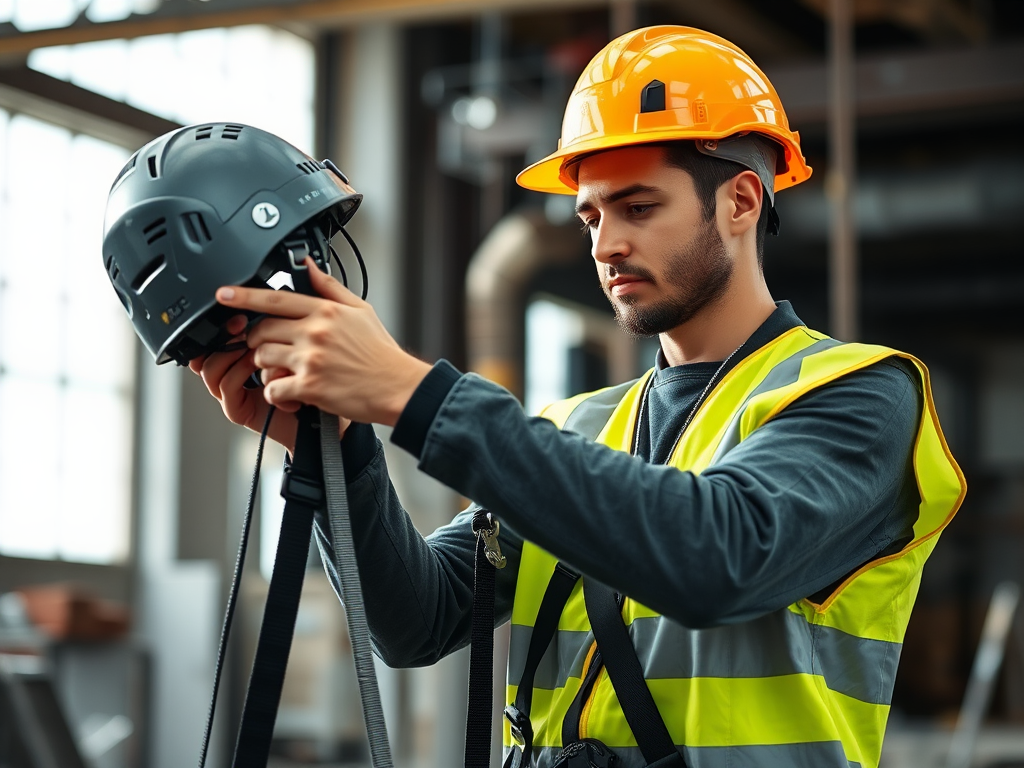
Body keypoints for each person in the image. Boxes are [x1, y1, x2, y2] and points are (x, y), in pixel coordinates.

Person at [190, 26, 964, 768]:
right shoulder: (576, 428)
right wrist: (337, 444)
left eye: (639, 207)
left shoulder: (860, 394)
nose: (604, 245)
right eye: (590, 216)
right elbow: (414, 621)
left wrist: (412, 390)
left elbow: (719, 557)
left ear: (741, 201)